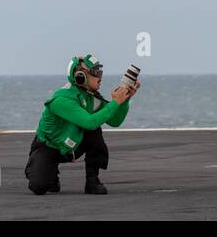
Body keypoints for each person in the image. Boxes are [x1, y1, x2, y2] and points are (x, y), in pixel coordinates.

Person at [25, 54, 138, 196]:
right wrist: (115, 102)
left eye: (100, 72)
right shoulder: (62, 99)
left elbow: (115, 121)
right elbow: (89, 122)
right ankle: (50, 173)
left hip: (72, 145)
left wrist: (124, 100)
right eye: (96, 73)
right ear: (80, 76)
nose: (100, 77)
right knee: (39, 187)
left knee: (95, 132)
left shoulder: (92, 97)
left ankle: (92, 181)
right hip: (50, 147)